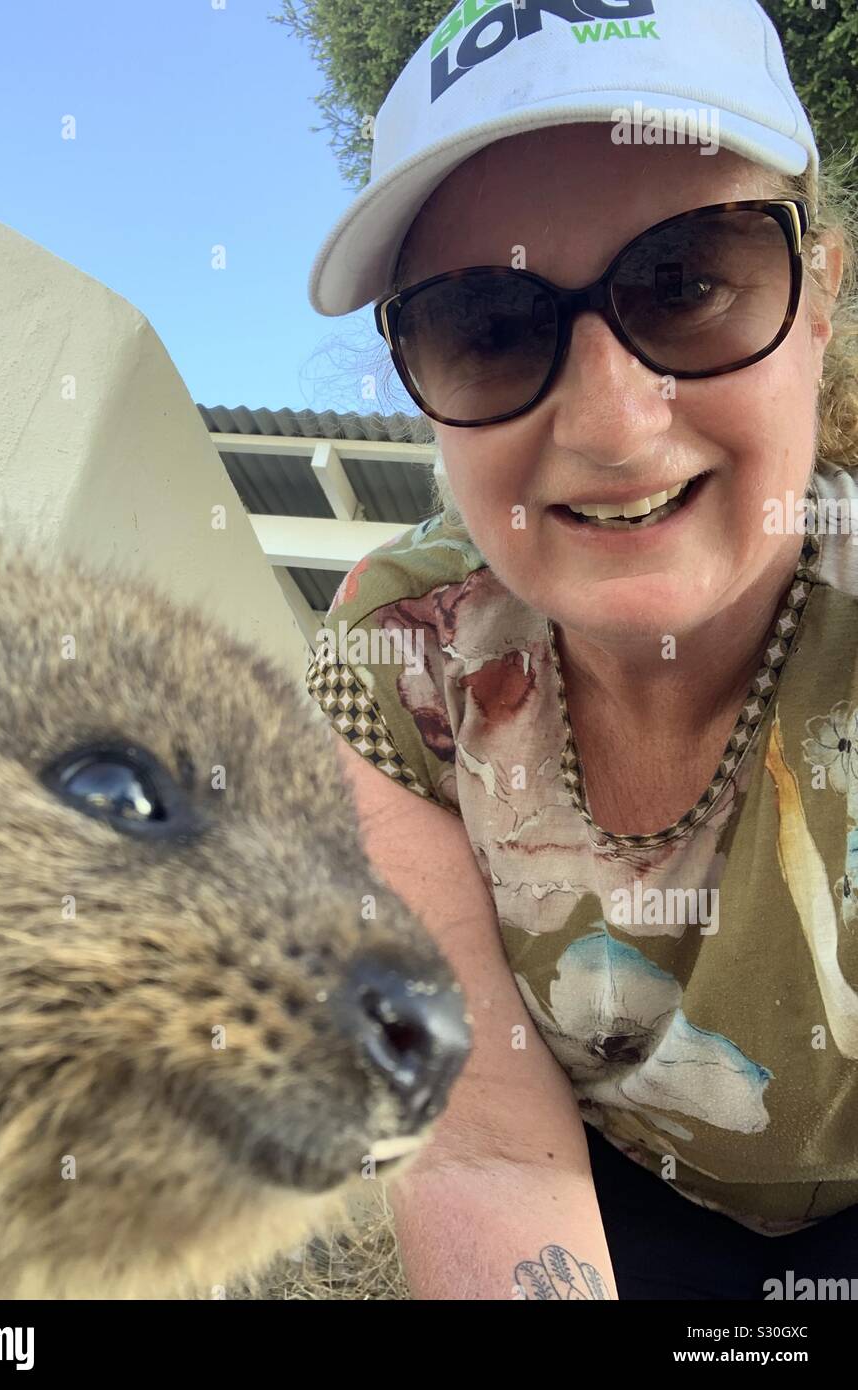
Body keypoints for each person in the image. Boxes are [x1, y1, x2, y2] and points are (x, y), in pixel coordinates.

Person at [304, 0, 858, 1300]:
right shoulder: (399, 660)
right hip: (611, 1198)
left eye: (689, 280)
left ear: (820, 298)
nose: (612, 425)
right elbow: (483, 1135)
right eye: (489, 321)